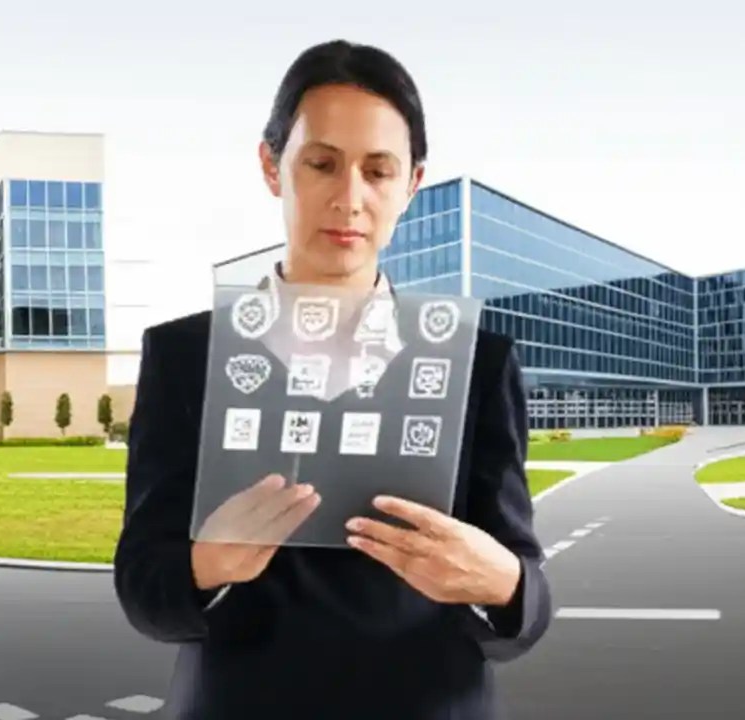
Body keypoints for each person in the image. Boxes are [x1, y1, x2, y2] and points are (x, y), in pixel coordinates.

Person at [113, 39, 553, 719]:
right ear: (271, 166)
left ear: (411, 183)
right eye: (321, 164)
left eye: (378, 171)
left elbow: (526, 595)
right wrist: (208, 563)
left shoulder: (478, 362)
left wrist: (502, 582)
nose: (350, 198)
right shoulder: (186, 355)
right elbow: (144, 588)